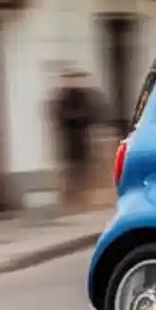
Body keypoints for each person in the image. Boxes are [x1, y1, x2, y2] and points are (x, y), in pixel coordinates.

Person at [50, 68, 104, 213]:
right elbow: (58, 116)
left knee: (84, 170)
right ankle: (69, 202)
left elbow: (95, 114)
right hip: (68, 140)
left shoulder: (85, 96)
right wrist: (76, 118)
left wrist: (77, 118)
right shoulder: (62, 97)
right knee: (70, 170)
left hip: (83, 139)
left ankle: (84, 202)